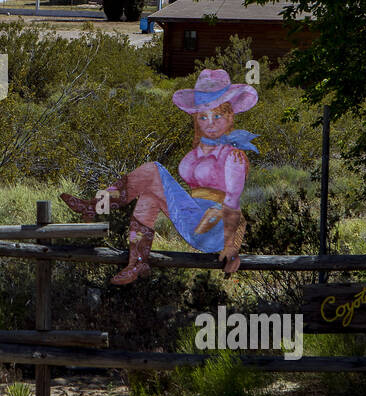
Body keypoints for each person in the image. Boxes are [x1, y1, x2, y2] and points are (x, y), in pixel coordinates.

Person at [61, 68, 258, 284]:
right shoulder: (202, 149)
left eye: (217, 115)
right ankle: (136, 262)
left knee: (152, 170)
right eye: (203, 116)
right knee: (148, 195)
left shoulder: (233, 156)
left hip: (214, 228)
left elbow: (233, 204)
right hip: (193, 216)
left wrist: (232, 246)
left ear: (230, 116)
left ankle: (95, 206)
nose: (209, 122)